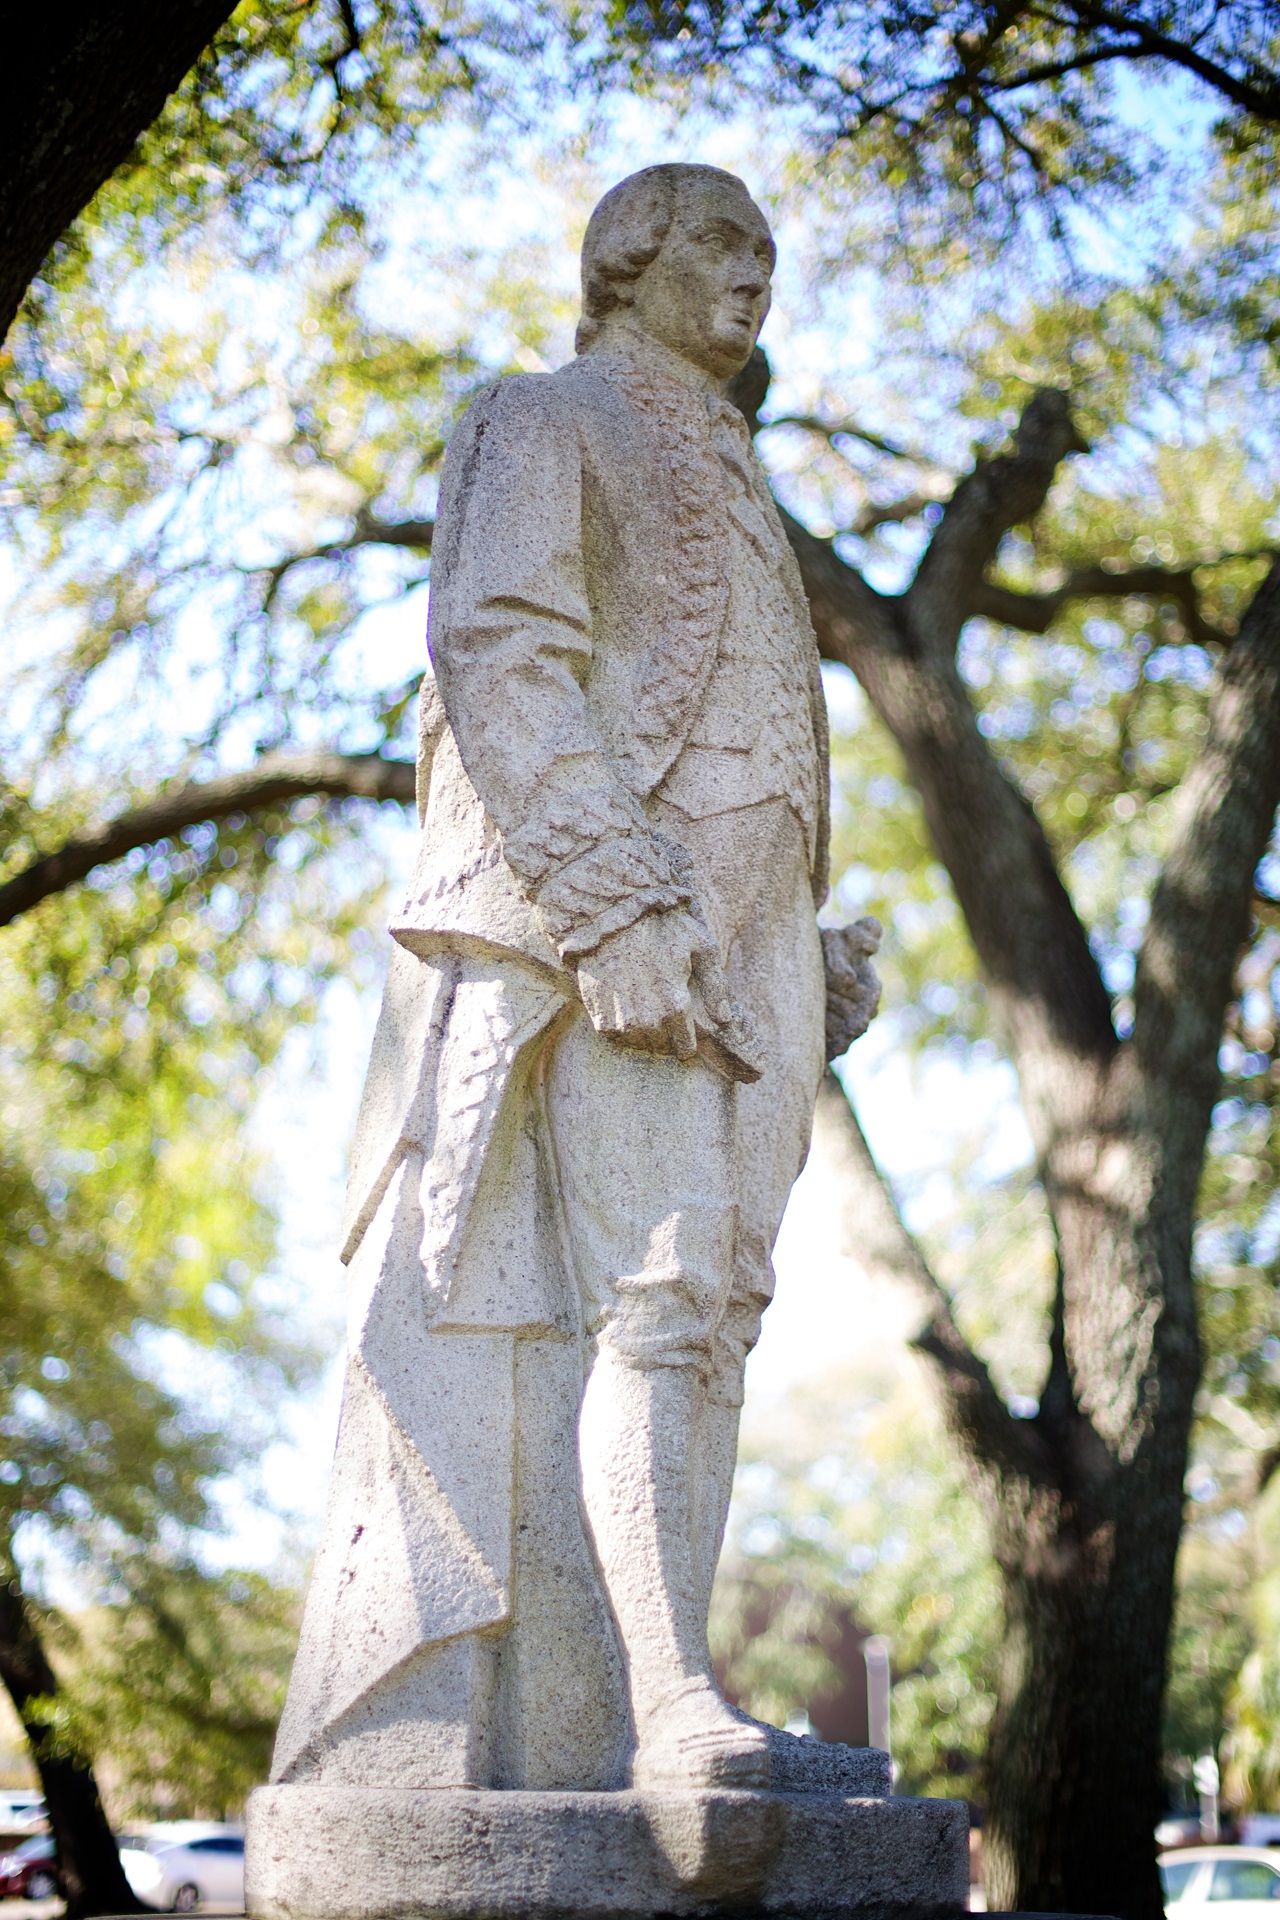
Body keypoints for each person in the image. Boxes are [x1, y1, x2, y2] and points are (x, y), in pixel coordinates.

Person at [270, 163, 879, 1797]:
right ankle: (672, 1712)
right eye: (722, 248)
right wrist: (612, 906)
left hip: (751, 955)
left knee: (722, 1317)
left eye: (771, 254)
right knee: (659, 1303)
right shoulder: (538, 415)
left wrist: (802, 954)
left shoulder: (743, 467)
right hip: (614, 933)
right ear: (628, 260)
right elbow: (506, 652)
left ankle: (653, 1713)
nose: (759, 278)